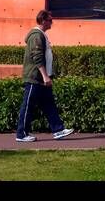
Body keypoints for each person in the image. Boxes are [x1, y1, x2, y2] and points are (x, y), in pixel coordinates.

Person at [16, 10, 74, 142]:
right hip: (35, 78)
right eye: (50, 20)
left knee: (49, 104)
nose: (51, 23)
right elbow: (37, 58)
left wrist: (47, 75)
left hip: (42, 78)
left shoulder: (41, 35)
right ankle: (21, 134)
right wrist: (45, 76)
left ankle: (58, 130)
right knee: (28, 106)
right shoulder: (36, 36)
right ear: (43, 21)